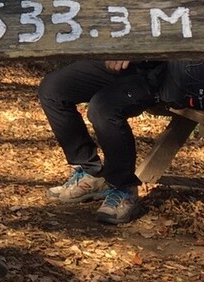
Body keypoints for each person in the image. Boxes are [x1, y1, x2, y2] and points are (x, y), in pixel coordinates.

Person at [37, 59, 166, 225]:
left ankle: (124, 188)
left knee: (102, 108)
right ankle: (90, 173)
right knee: (52, 89)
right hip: (116, 62)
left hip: (161, 71)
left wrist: (134, 51)